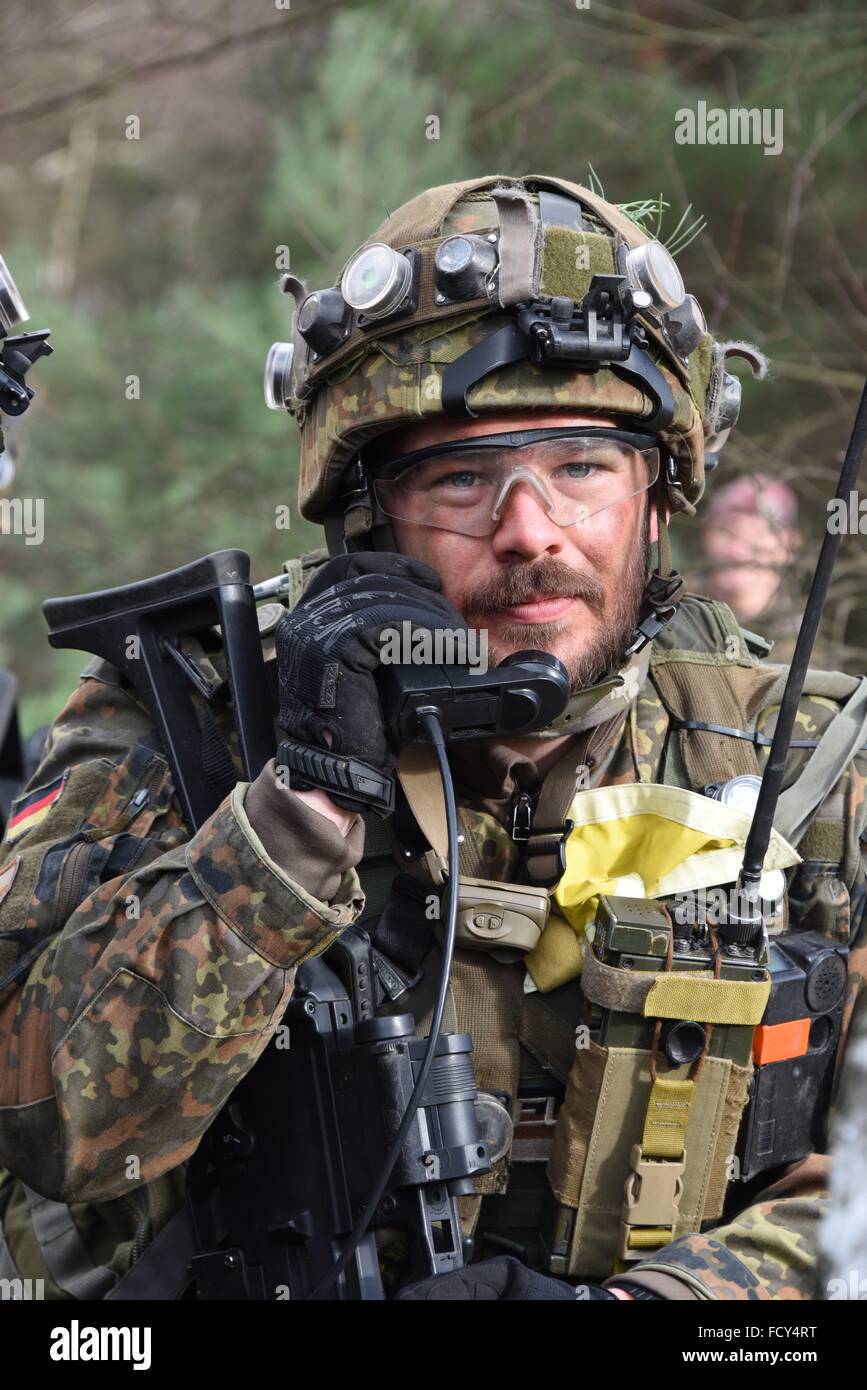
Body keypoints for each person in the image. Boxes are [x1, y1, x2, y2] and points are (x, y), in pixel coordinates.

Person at [1, 174, 865, 1302]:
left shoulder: (806, 763)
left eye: (580, 468)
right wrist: (292, 821)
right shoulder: (187, 714)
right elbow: (44, 1128)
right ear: (369, 517)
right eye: (460, 476)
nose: (528, 530)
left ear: (659, 497)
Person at [693, 472, 805, 662]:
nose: (737, 551)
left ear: (790, 546)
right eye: (727, 531)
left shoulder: (804, 648)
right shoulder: (666, 611)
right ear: (705, 534)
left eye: (757, 535)